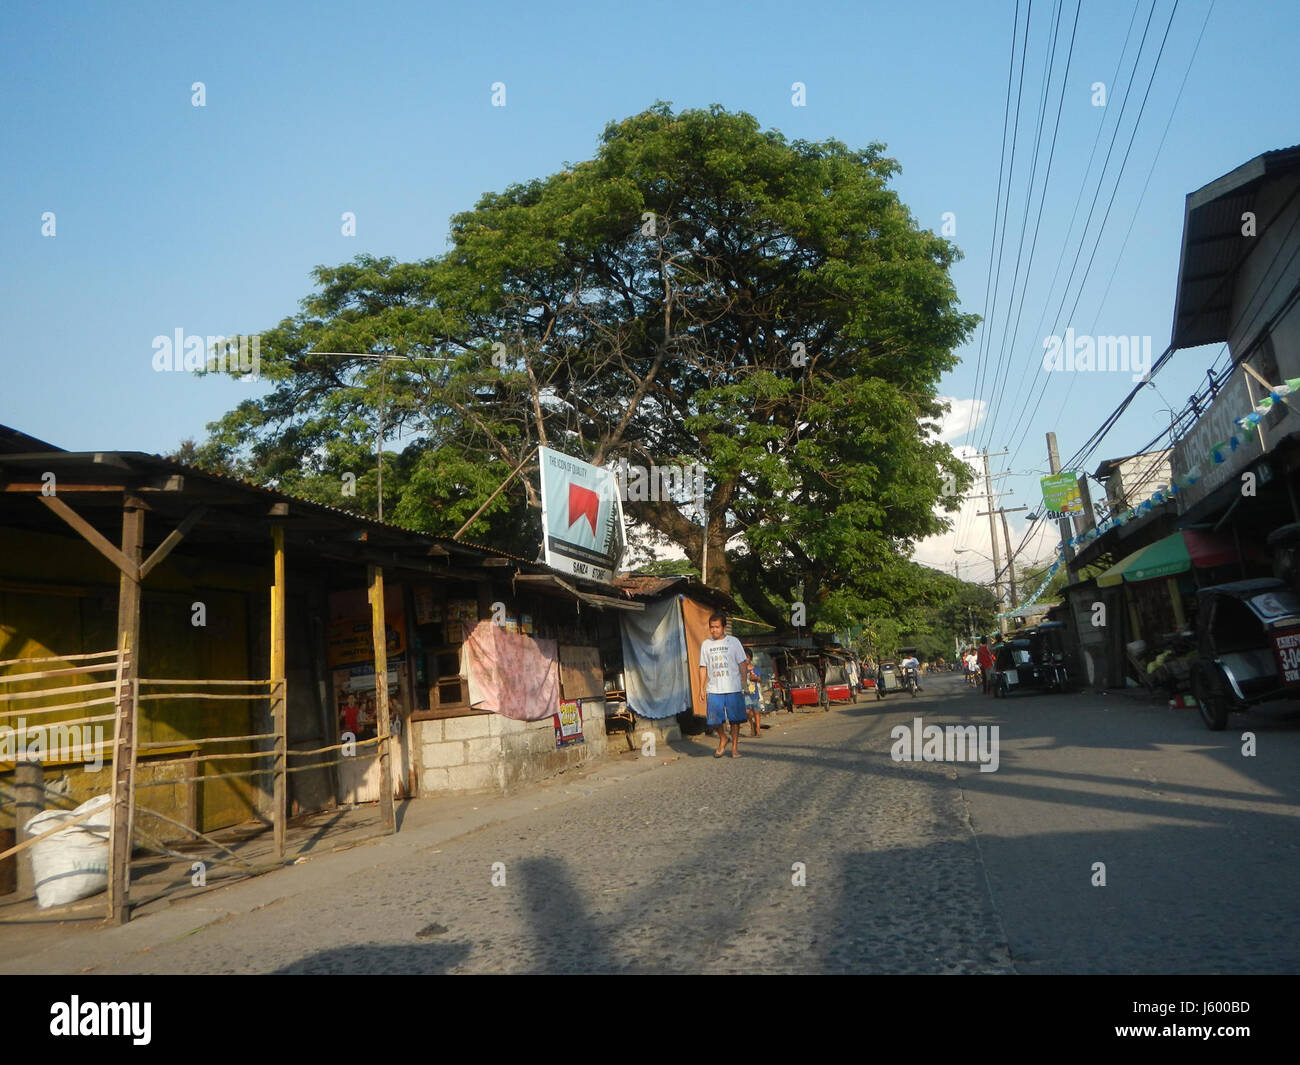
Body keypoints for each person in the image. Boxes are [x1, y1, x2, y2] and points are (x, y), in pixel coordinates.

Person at [699, 613, 751, 758]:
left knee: (735, 720)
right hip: (714, 689)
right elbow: (703, 667)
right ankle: (723, 737)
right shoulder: (706, 645)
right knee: (713, 719)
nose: (714, 630)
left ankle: (734, 747)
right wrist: (701, 688)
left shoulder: (733, 642)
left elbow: (742, 663)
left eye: (717, 627)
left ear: (724, 627)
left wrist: (744, 682)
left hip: (733, 687)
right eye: (711, 627)